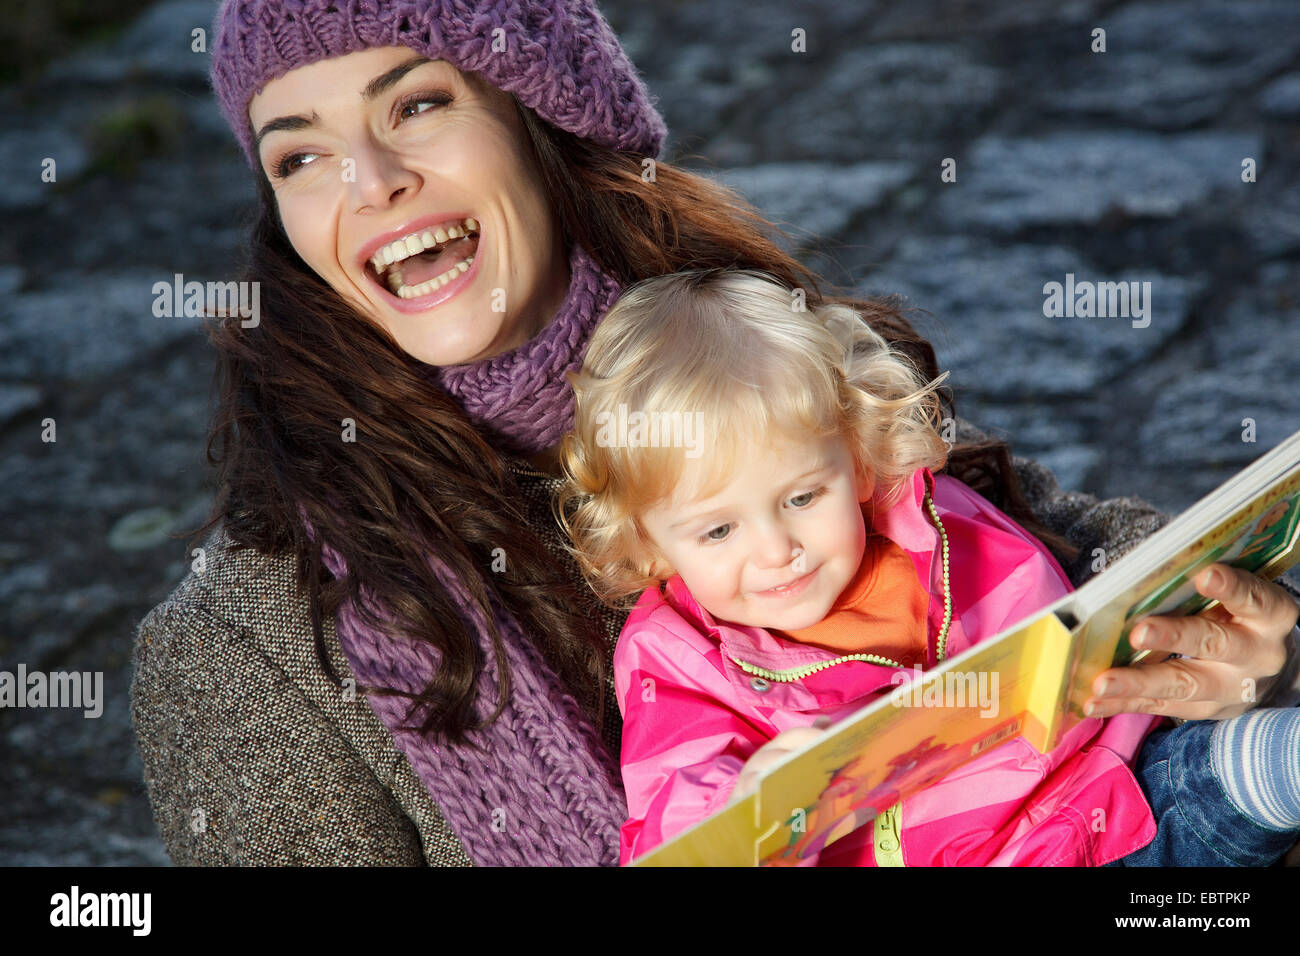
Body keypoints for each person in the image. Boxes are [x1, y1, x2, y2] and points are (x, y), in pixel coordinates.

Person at [129, 0, 1300, 866]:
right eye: (301, 154)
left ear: (540, 113)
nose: (369, 180)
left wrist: (1219, 639)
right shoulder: (251, 648)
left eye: (418, 103)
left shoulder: (745, 344)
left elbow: (1035, 536)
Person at [555, 269, 1300, 866]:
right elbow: (672, 817)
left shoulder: (940, 524)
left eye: (804, 496)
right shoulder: (676, 654)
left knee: (1220, 770)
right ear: (649, 544)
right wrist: (751, 809)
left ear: (856, 455)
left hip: (1098, 813)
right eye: (717, 529)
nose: (777, 549)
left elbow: (1075, 641)